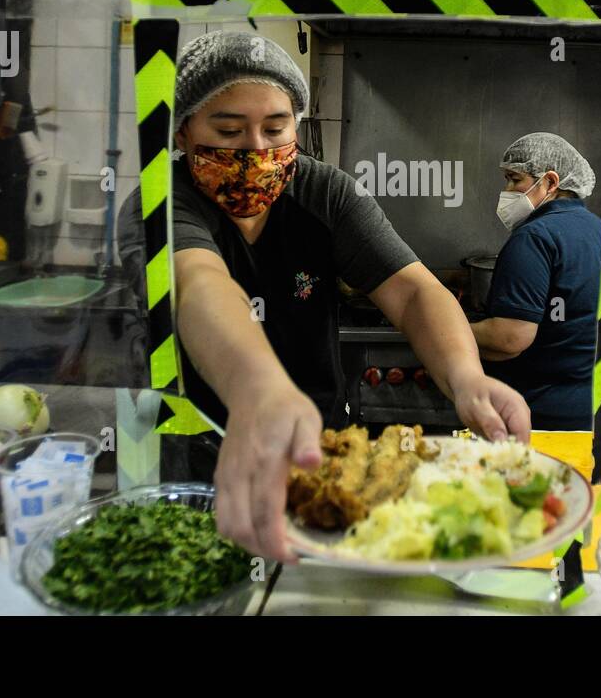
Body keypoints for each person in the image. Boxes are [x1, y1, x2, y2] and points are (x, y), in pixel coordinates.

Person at [163, 31, 530, 561]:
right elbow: (200, 285)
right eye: (228, 129)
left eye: (275, 126)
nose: (257, 150)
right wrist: (258, 390)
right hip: (204, 460)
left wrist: (466, 376)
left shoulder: (326, 193)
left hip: (322, 459)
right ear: (182, 131)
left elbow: (412, 292)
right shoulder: (163, 203)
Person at [469, 133, 601, 431]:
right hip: (592, 408)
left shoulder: (534, 237)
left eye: (514, 179)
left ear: (551, 182)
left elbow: (510, 338)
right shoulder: (600, 230)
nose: (507, 190)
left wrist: (451, 328)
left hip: (539, 413)